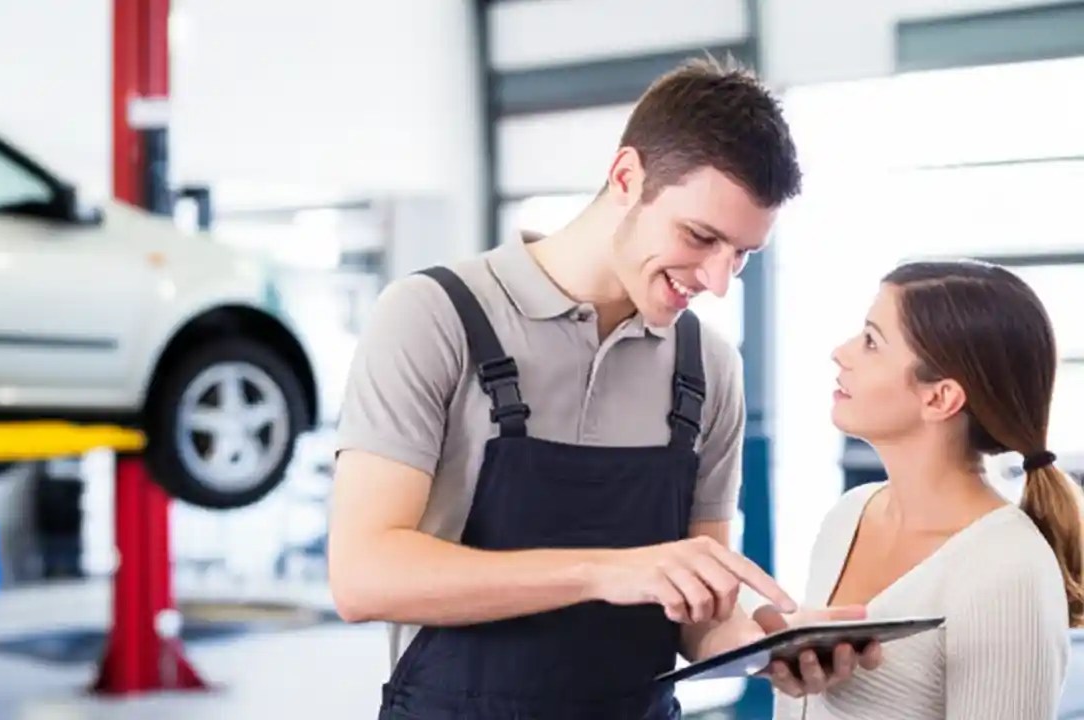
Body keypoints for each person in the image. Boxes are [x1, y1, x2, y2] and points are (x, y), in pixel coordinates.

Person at [328, 57, 879, 720]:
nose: (717, 280)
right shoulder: (434, 317)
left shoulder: (706, 367)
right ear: (626, 178)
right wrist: (605, 572)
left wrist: (765, 644)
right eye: (699, 237)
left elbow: (699, 611)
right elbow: (362, 575)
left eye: (741, 254)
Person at [772, 260, 1078, 719]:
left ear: (939, 398)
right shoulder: (850, 515)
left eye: (872, 342)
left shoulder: (1008, 568)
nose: (841, 352)